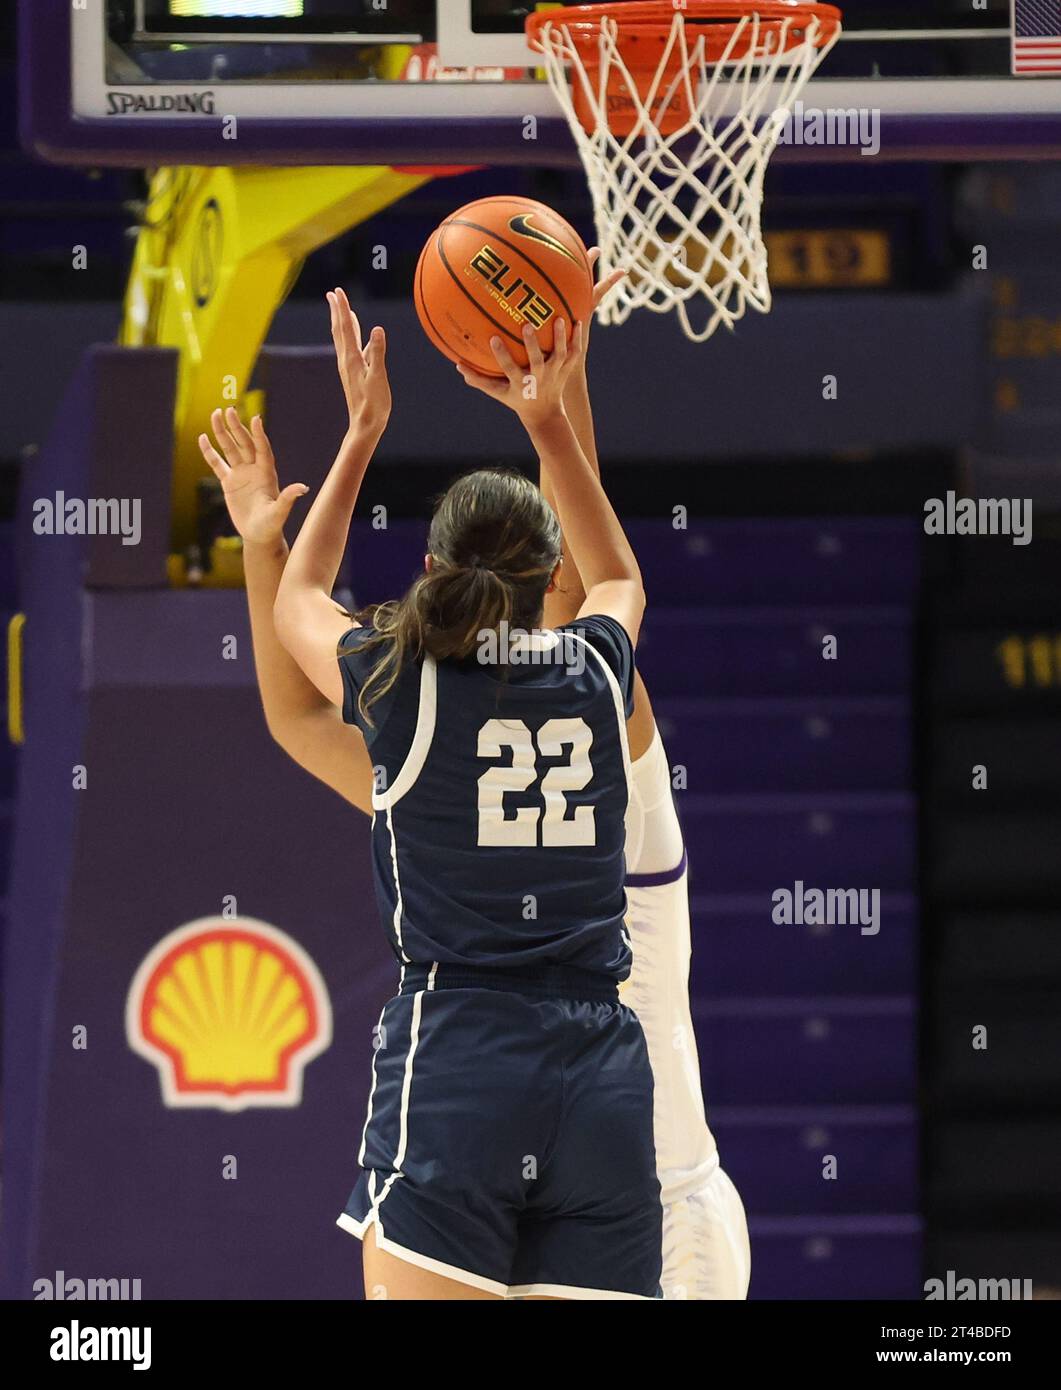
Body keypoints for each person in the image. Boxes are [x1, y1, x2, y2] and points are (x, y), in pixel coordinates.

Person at [201, 285, 661, 1300]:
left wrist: (354, 439)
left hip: (462, 1060)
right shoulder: (595, 678)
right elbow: (613, 575)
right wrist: (547, 411)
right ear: (549, 573)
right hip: (603, 1080)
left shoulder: (402, 691)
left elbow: (296, 613)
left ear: (427, 566)